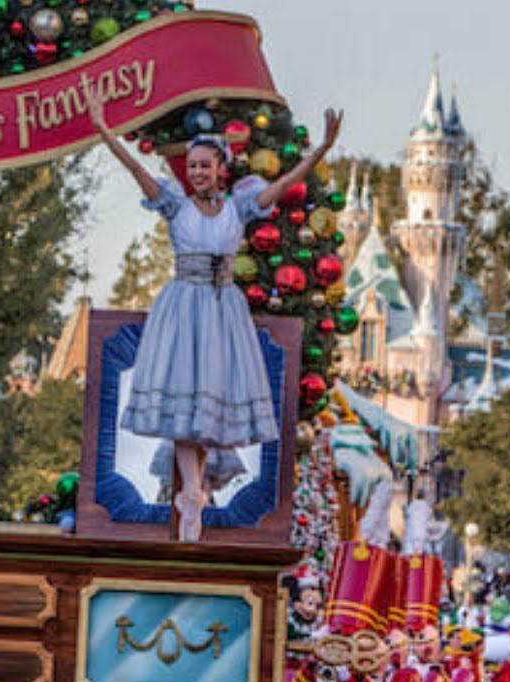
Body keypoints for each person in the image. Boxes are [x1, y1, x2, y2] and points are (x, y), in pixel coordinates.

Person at [86, 84, 342, 541]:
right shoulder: (175, 205)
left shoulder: (237, 207)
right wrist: (105, 130)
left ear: (222, 170)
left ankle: (194, 490)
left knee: (209, 408)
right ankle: (192, 492)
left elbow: (281, 187)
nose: (198, 172)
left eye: (205, 166)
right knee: (185, 403)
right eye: (193, 166)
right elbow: (137, 170)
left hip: (223, 309)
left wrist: (321, 150)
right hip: (185, 306)